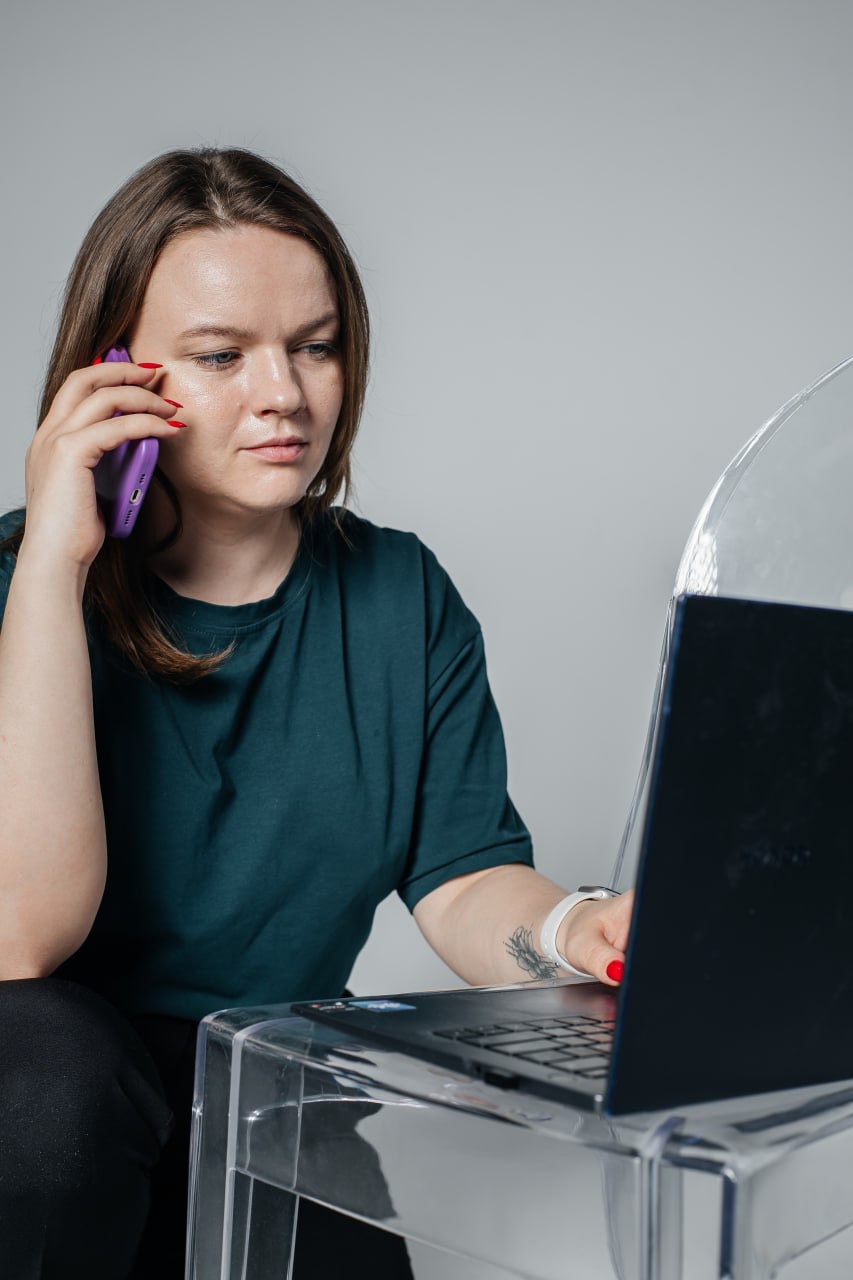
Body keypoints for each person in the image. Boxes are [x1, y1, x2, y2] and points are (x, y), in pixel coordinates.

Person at [0, 147, 633, 1278]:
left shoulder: (400, 594)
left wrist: (573, 930)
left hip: (266, 1086)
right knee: (54, 1074)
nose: (284, 393)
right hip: (42, 1107)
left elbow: (463, 876)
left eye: (315, 344)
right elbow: (20, 936)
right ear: (113, 373)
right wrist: (54, 562)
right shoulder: (19, 581)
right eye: (219, 354)